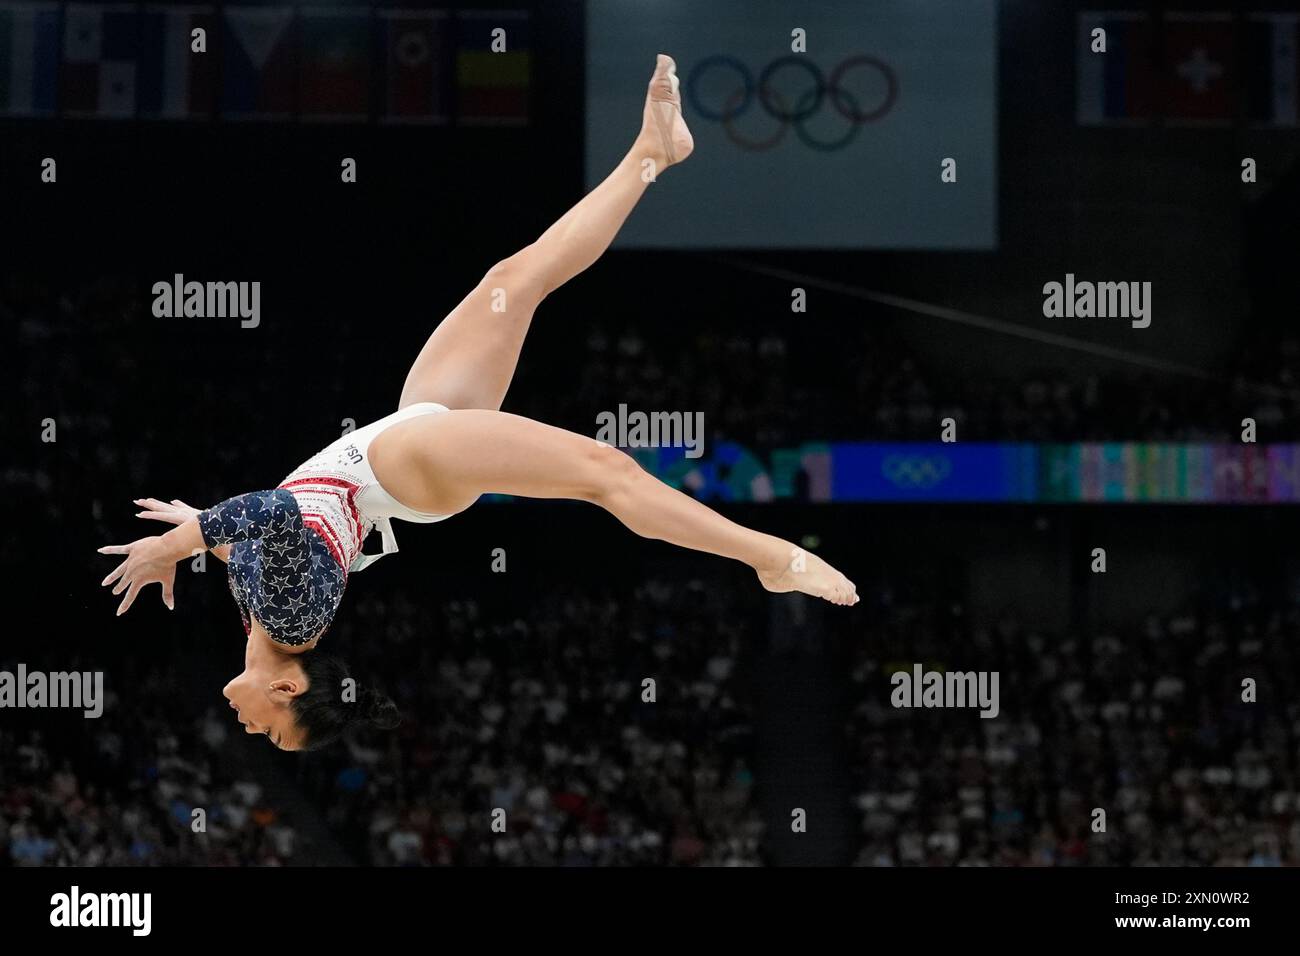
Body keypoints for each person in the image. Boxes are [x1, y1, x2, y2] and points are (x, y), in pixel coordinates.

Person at [99, 55, 857, 751]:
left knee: (514, 280)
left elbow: (270, 537)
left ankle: (653, 155)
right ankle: (772, 559)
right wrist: (189, 539)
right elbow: (279, 512)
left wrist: (200, 537)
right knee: (605, 471)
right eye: (271, 732)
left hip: (403, 447)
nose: (251, 729)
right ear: (288, 688)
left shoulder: (267, 619)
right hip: (408, 468)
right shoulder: (292, 623)